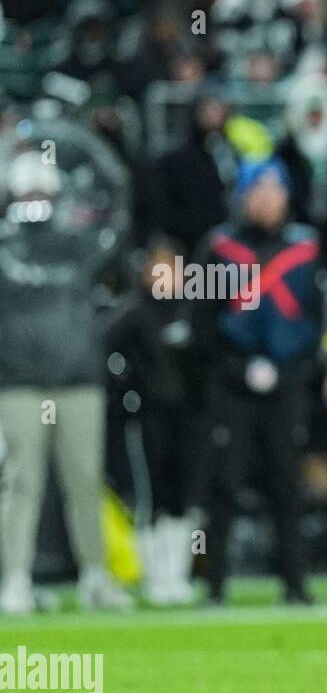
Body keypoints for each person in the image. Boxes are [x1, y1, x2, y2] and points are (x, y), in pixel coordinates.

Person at [0, 150, 131, 613]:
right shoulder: (5, 246)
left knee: (85, 482)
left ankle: (95, 575)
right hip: (19, 383)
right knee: (23, 483)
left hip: (77, 381)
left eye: (43, 190)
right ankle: (14, 578)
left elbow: (121, 223)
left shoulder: (77, 243)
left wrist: (103, 159)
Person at [192, 158, 321, 605]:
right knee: (223, 483)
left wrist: (293, 372)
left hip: (286, 385)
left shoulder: (306, 247)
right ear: (243, 196)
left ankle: (295, 583)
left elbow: (317, 319)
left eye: (274, 190)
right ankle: (215, 585)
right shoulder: (220, 247)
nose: (266, 200)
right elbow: (200, 324)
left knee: (287, 483)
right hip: (230, 386)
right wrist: (235, 367)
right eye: (258, 190)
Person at [104, 239, 203, 605]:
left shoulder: (192, 310)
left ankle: (178, 573)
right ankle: (155, 575)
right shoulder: (133, 312)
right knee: (152, 495)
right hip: (147, 416)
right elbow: (108, 351)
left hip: (188, 417)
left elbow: (207, 357)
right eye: (157, 268)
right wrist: (127, 392)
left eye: (171, 268)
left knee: (184, 495)